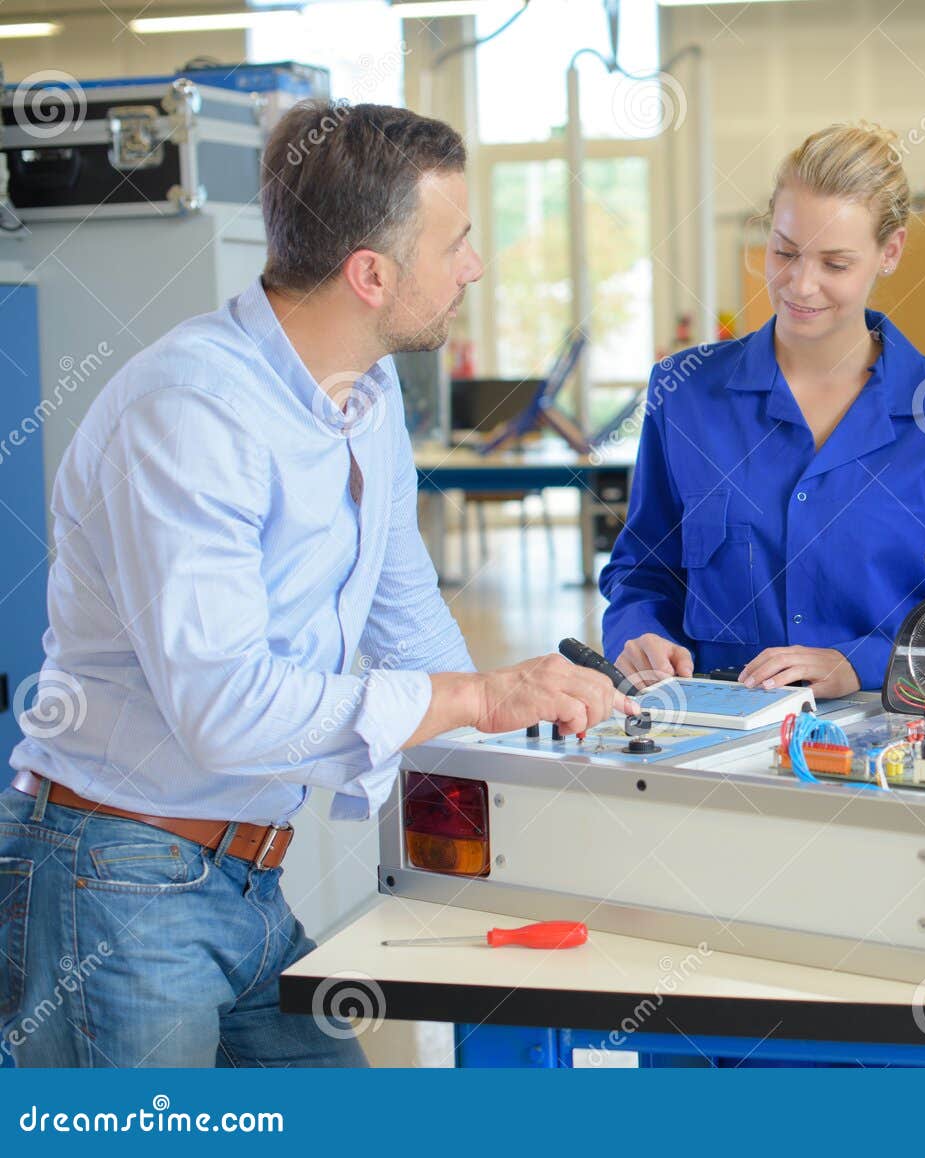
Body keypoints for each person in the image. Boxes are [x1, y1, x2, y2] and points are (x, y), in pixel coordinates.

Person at [0, 102, 632, 1067]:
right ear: (371, 274)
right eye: (456, 242)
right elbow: (222, 708)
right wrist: (478, 696)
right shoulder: (191, 414)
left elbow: (409, 614)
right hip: (119, 881)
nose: (473, 266)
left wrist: (542, 755)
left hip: (247, 877)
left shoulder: (363, 401)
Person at [601, 124, 925, 697]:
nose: (801, 284)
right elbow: (643, 572)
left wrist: (863, 665)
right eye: (785, 252)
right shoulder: (684, 395)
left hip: (892, 747)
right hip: (713, 742)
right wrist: (640, 633)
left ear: (890, 252)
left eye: (835, 263)